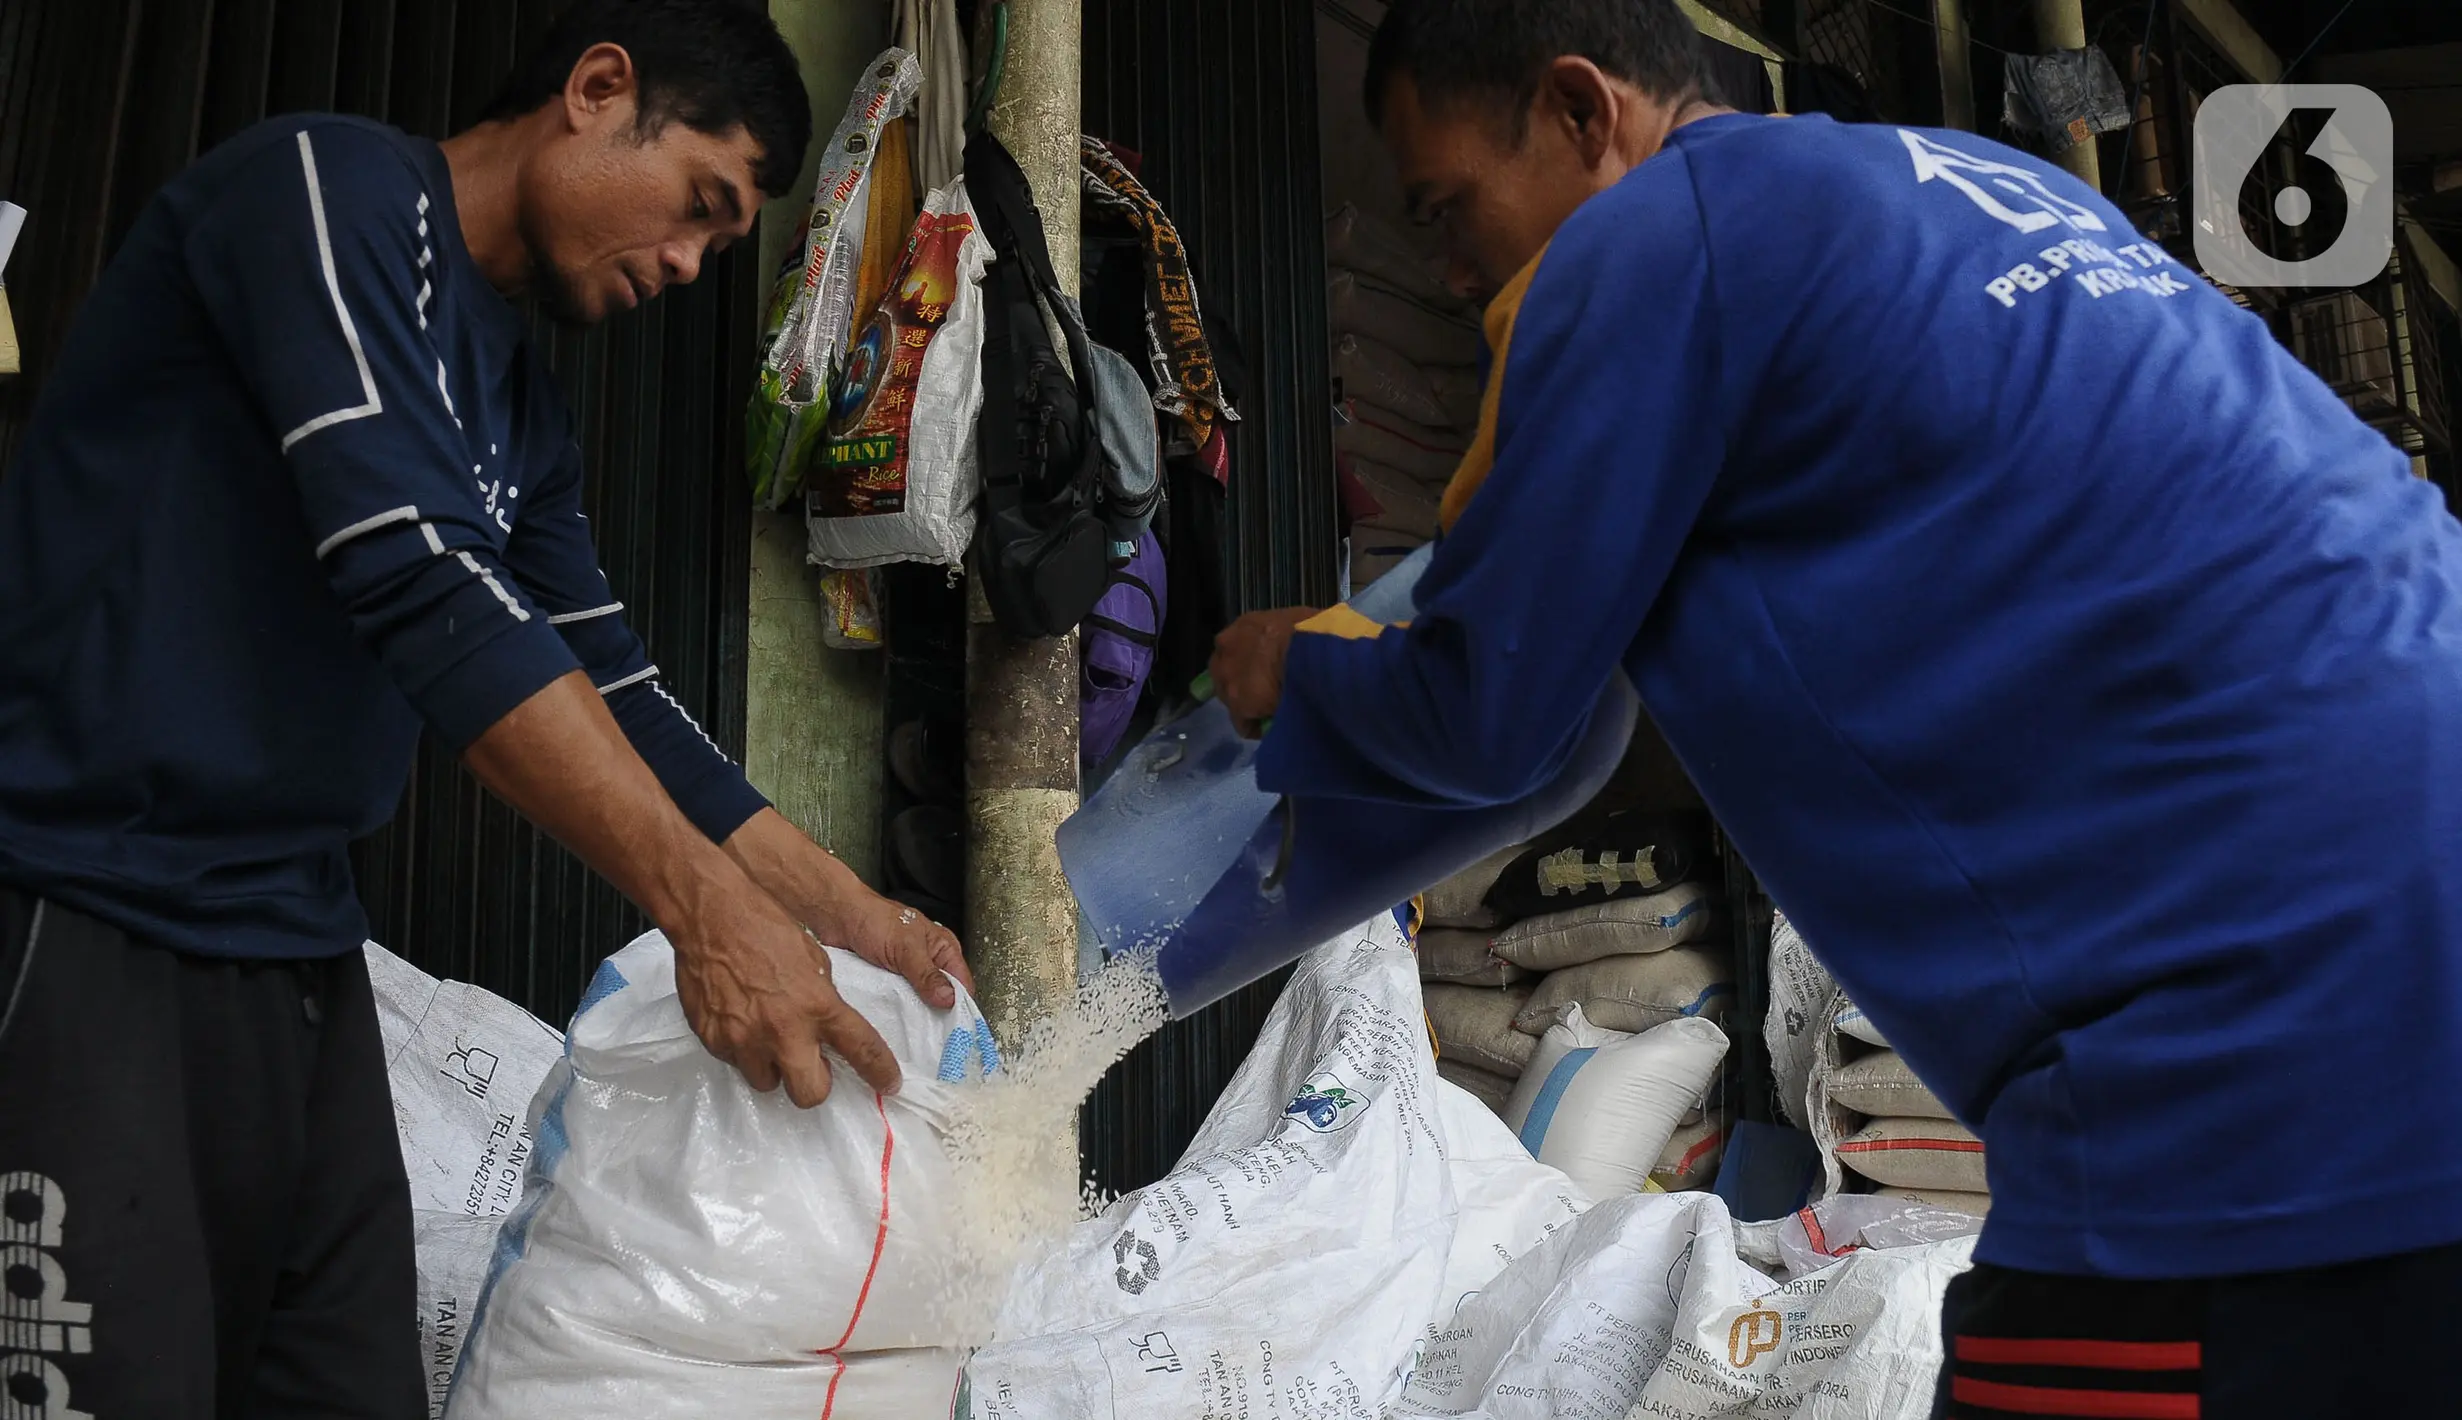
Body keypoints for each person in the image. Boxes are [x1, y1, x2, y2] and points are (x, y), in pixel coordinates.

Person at [1210, 1, 2462, 1414]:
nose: (1446, 269)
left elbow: (1487, 714)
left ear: (1578, 111)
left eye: (1448, 207)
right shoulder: (1981, 191)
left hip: (2275, 1039)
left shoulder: (1649, 240)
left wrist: (1287, 673)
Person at [0, 3, 969, 1414]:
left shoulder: (522, 409)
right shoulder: (327, 196)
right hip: (88, 917)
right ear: (596, 88)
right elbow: (417, 575)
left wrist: (856, 917)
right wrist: (705, 917)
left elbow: (622, 699)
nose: (690, 264)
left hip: (294, 949)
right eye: (698, 207)